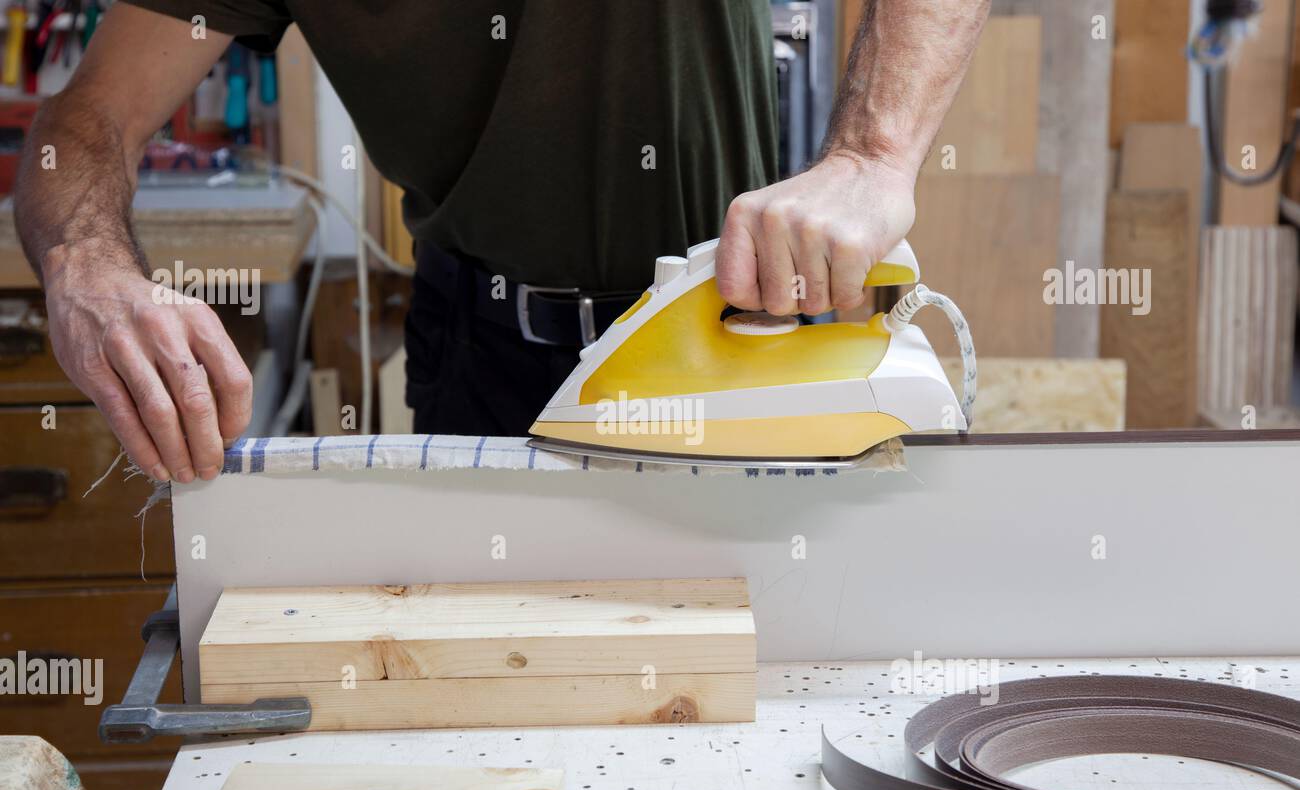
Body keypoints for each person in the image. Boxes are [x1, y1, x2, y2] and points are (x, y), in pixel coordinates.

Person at [14, 0, 989, 484]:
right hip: (478, 357)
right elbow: (83, 125)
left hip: (743, 335)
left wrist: (870, 154)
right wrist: (86, 271)